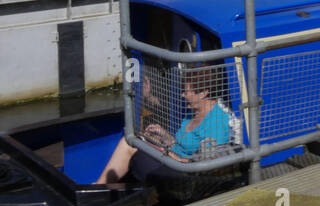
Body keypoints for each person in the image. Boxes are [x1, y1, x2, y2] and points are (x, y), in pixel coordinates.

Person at [96, 66, 232, 184]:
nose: (183, 95)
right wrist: (164, 136)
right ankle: (100, 186)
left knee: (129, 145)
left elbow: (205, 166)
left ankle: (98, 188)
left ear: (203, 93)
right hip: (173, 162)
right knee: (139, 140)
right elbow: (180, 145)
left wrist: (170, 155)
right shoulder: (193, 112)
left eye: (186, 91)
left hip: (184, 176)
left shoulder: (217, 123)